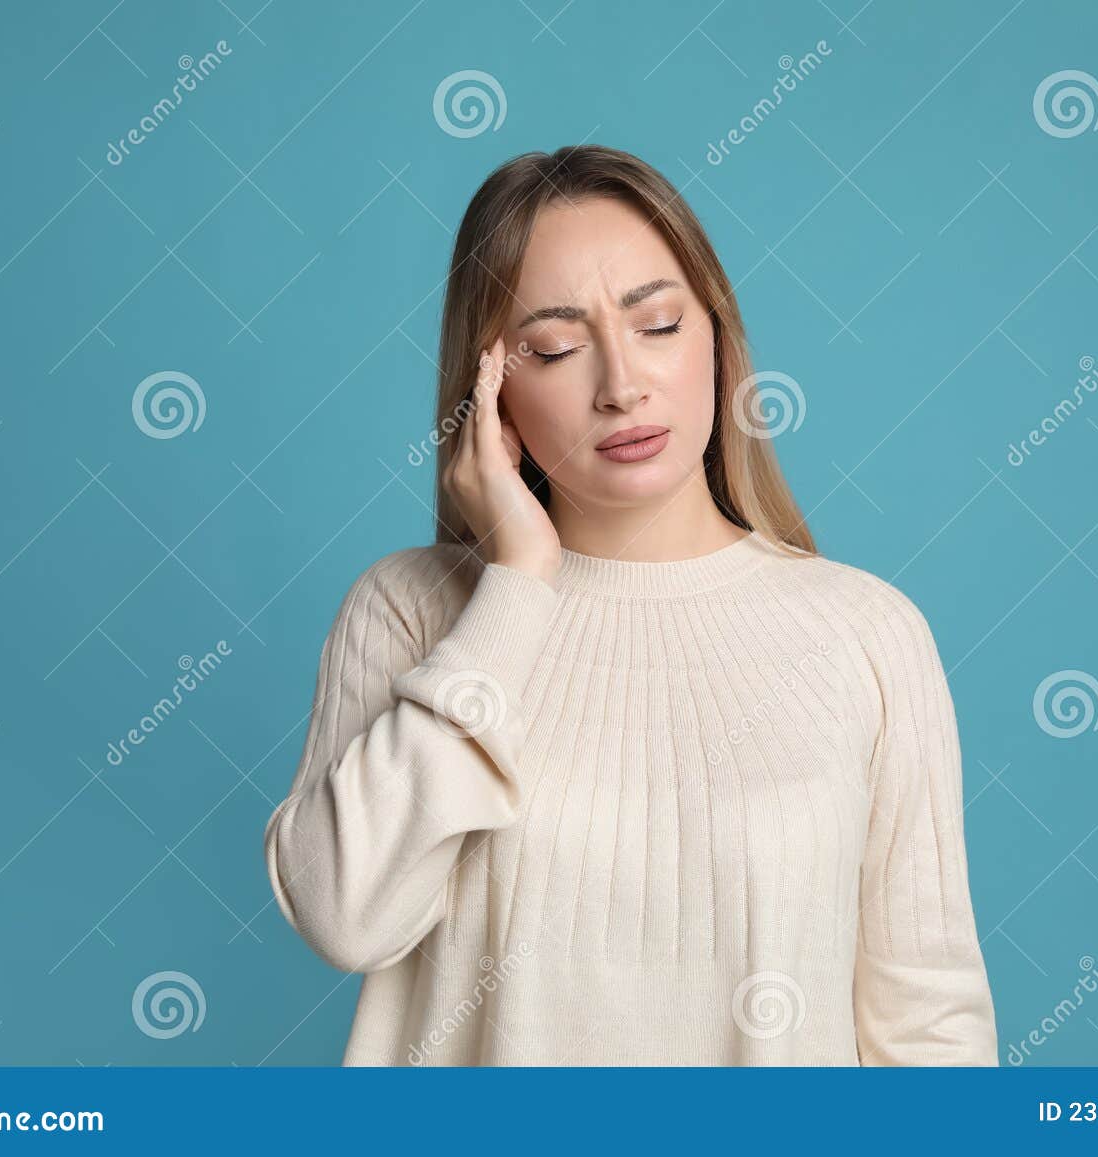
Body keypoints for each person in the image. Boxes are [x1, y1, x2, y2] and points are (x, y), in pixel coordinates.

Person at [262, 144, 998, 1066]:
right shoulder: (410, 609)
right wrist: (517, 582)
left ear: (718, 341)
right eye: (556, 348)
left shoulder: (867, 633)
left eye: (658, 325)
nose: (621, 385)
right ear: (490, 391)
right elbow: (346, 915)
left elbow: (927, 1019)